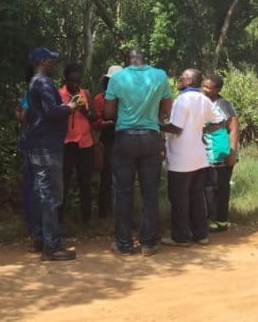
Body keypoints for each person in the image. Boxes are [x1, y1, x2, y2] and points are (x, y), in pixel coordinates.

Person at [103, 48, 173, 256]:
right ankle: (149, 243)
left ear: (127, 61)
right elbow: (168, 109)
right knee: (150, 192)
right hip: (151, 136)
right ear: (144, 59)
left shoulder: (118, 77)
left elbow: (108, 113)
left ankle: (124, 244)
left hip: (125, 137)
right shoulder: (160, 76)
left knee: (124, 192)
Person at [25, 47, 79, 260]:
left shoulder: (34, 82)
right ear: (43, 61)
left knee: (41, 193)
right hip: (47, 146)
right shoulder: (44, 83)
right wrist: (70, 107)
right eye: (52, 61)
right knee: (51, 196)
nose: (54, 65)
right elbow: (52, 111)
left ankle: (40, 238)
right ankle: (52, 246)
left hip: (39, 145)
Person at [160, 69, 224, 247]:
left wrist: (155, 125)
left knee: (179, 198)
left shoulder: (182, 99)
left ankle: (180, 236)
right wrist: (202, 130)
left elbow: (176, 128)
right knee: (196, 197)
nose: (179, 79)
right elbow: (220, 121)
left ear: (189, 80)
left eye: (182, 77)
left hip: (181, 159)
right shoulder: (204, 99)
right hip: (199, 157)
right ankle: (201, 234)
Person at [201, 74, 240, 233]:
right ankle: (210, 219)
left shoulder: (224, 104)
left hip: (222, 152)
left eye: (209, 88)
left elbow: (234, 128)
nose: (205, 90)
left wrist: (232, 152)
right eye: (204, 86)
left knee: (220, 187)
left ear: (218, 89)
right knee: (208, 188)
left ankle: (221, 221)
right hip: (206, 153)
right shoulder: (202, 102)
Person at [59, 63, 96, 223]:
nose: (75, 85)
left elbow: (94, 117)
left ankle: (86, 220)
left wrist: (84, 111)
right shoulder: (58, 94)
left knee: (85, 181)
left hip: (85, 143)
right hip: (66, 143)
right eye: (72, 81)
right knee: (63, 182)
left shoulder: (85, 94)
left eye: (78, 81)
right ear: (66, 79)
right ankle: (58, 219)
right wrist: (68, 108)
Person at [15, 63, 42, 252]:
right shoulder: (36, 92)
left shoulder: (28, 92)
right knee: (37, 186)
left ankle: (35, 230)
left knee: (32, 185)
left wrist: (17, 112)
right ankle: (37, 231)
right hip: (36, 143)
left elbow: (21, 114)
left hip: (29, 141)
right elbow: (24, 115)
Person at [93, 65, 123, 219]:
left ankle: (121, 213)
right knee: (106, 176)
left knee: (123, 177)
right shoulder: (100, 98)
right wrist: (103, 123)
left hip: (124, 137)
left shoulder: (126, 96)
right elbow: (96, 120)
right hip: (108, 138)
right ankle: (103, 214)